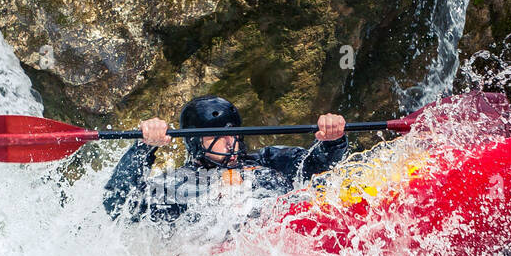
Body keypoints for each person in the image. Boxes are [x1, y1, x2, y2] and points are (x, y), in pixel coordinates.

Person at [103, 95, 348, 226]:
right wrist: (143, 148)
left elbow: (318, 166)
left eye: (232, 133)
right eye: (216, 135)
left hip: (282, 237)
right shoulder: (178, 183)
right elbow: (117, 204)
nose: (229, 142)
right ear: (195, 142)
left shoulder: (269, 160)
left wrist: (333, 139)